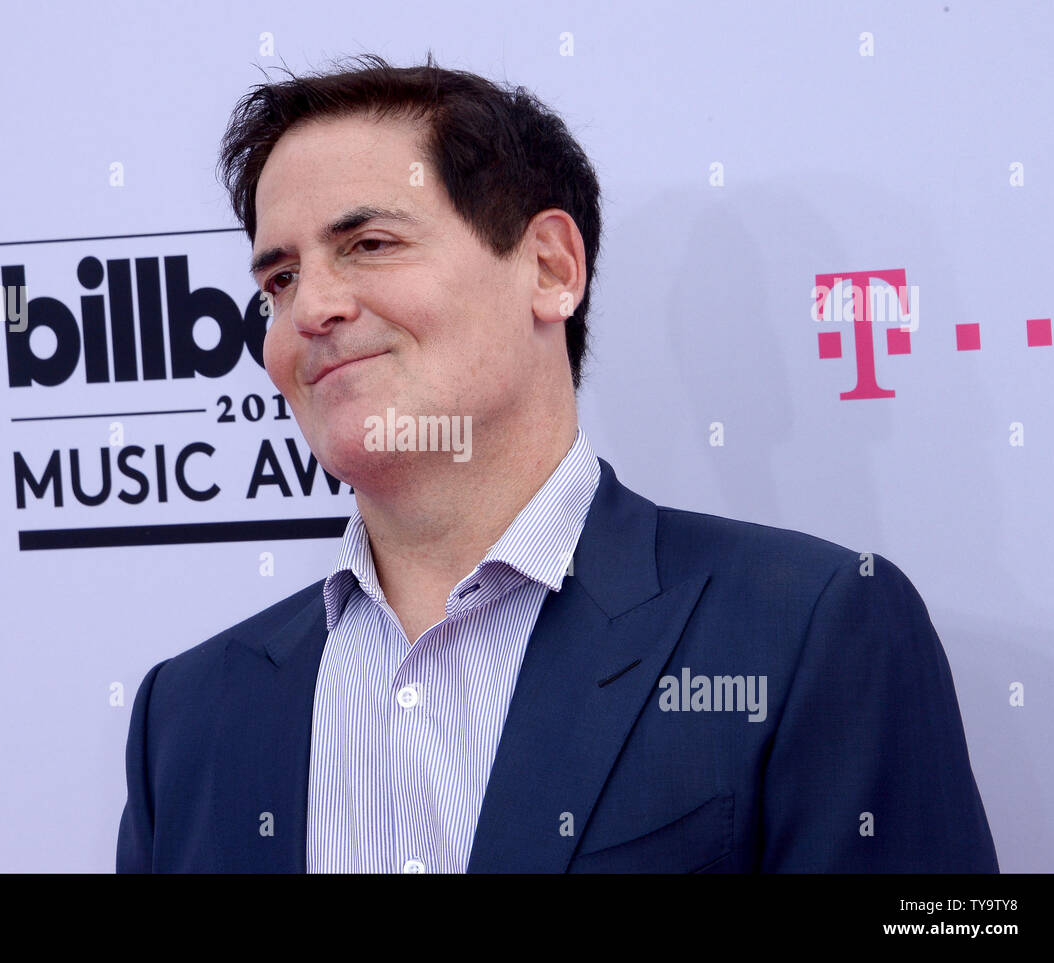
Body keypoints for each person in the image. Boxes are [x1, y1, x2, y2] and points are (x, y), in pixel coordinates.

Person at [116, 54, 998, 873]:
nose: (312, 308)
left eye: (369, 244)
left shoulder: (808, 630)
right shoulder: (187, 719)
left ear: (548, 267)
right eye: (278, 280)